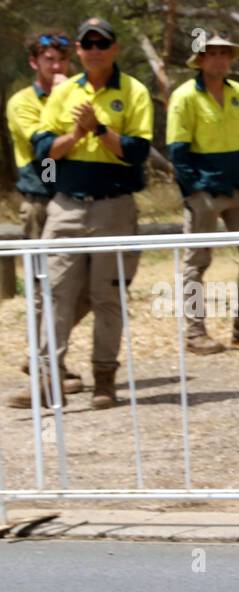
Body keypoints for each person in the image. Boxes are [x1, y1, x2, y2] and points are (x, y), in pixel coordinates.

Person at [17, 17, 152, 411]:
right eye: (87, 44)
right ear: (79, 51)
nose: (94, 49)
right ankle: (47, 378)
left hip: (115, 207)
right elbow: (44, 150)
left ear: (114, 49)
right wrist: (75, 135)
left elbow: (137, 152)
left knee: (107, 296)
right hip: (67, 206)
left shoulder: (134, 91)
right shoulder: (64, 94)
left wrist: (98, 129)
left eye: (101, 43)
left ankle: (104, 380)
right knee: (55, 293)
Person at [166, 29, 239, 355]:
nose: (219, 59)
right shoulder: (185, 96)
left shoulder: (238, 93)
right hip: (203, 189)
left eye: (224, 54)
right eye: (212, 53)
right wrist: (192, 191)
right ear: (201, 59)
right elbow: (177, 149)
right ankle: (194, 333)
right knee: (196, 261)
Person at [5, 27, 91, 407]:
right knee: (46, 288)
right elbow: (48, 157)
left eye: (62, 60)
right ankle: (47, 367)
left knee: (90, 286)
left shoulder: (78, 91)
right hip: (43, 196)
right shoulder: (23, 101)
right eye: (49, 60)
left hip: (76, 198)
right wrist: (70, 124)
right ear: (34, 63)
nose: (57, 67)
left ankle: (43, 356)